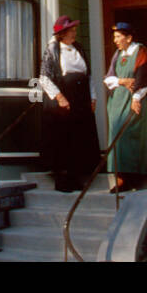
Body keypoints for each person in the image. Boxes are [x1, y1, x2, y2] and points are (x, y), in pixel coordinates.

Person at [39, 16, 100, 192]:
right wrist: (59, 97)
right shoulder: (53, 49)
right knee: (63, 138)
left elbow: (88, 76)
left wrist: (93, 97)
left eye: (74, 29)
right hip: (65, 96)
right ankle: (62, 179)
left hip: (81, 98)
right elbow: (44, 77)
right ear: (62, 34)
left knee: (79, 137)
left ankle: (76, 177)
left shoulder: (78, 48)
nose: (74, 32)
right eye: (71, 30)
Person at [103, 21, 147, 193]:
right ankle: (120, 178)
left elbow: (144, 77)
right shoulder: (118, 54)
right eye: (114, 37)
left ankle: (135, 176)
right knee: (117, 135)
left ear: (129, 37)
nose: (115, 41)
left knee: (131, 135)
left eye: (118, 37)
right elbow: (109, 77)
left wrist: (137, 98)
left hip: (133, 99)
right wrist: (121, 81)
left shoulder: (140, 51)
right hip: (117, 101)